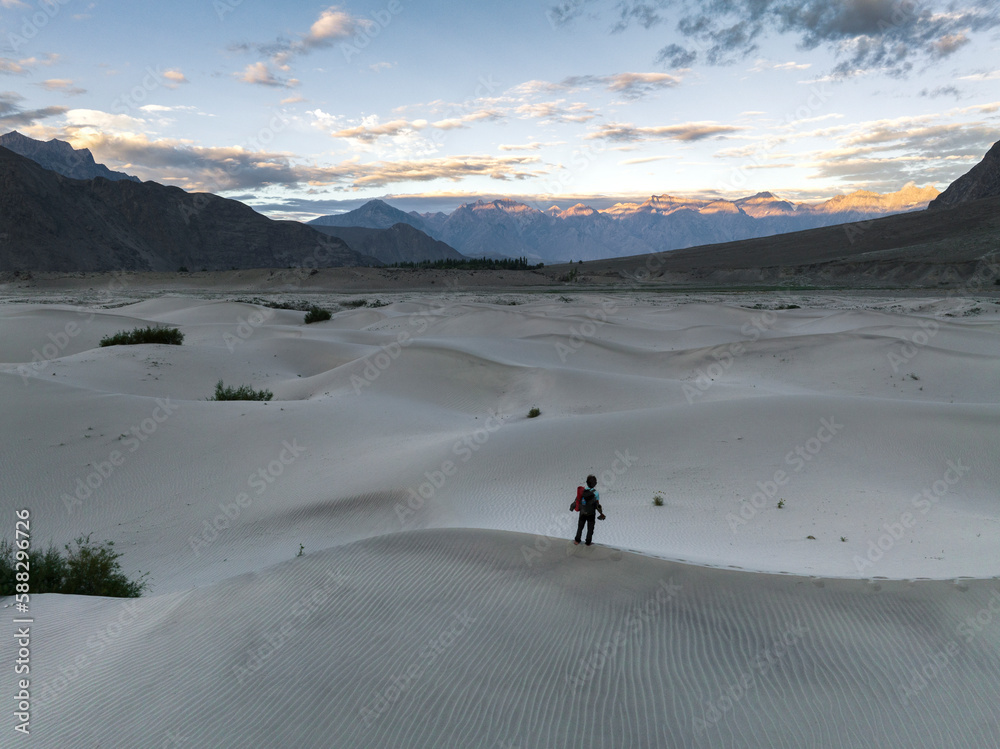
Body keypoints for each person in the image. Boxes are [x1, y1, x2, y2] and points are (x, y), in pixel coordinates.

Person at [570, 474, 606, 545]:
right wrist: (601, 513)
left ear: (587, 483)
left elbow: (577, 500)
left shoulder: (582, 491)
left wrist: (572, 507)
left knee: (580, 527)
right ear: (595, 484)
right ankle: (588, 542)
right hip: (591, 513)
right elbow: (597, 505)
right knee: (590, 529)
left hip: (582, 513)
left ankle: (577, 540)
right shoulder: (595, 493)